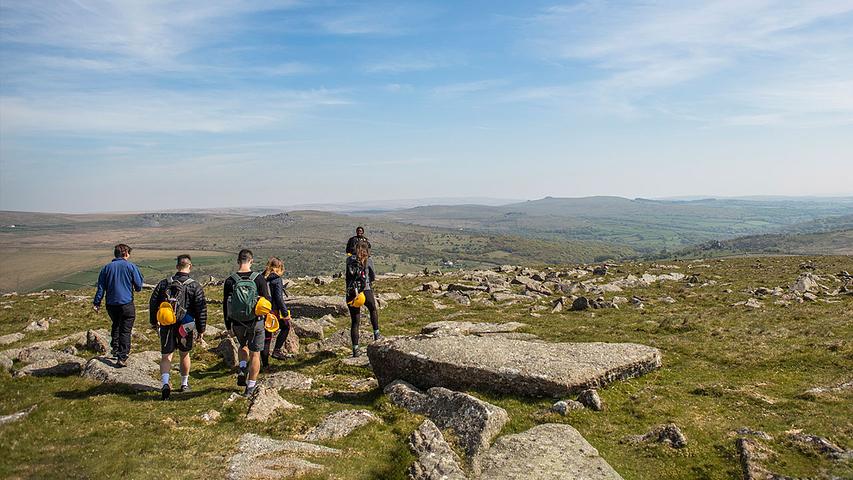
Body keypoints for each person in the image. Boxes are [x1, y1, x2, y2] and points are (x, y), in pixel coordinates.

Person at [148, 254, 207, 400]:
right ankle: (184, 384)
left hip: (167, 323)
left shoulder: (164, 284)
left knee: (166, 355)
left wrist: (154, 322)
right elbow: (201, 309)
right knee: (184, 354)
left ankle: (165, 384)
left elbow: (153, 303)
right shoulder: (194, 286)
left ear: (177, 267)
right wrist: (201, 329)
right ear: (190, 266)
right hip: (185, 324)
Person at [223, 249, 270, 396]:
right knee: (255, 353)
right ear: (251, 261)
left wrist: (228, 325)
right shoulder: (258, 279)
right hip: (255, 321)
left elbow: (226, 304)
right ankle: (250, 386)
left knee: (243, 346)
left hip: (237, 322)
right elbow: (267, 301)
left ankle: (242, 367)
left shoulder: (230, 280)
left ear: (238, 261)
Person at [93, 244, 143, 368]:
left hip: (111, 304)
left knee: (116, 323)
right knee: (125, 330)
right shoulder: (131, 266)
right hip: (126, 303)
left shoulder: (106, 268)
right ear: (125, 253)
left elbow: (100, 288)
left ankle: (115, 349)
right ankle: (122, 356)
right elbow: (138, 286)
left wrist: (96, 303)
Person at [346, 242, 380, 357]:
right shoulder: (369, 260)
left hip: (353, 292)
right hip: (366, 290)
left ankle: (355, 350)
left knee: (355, 322)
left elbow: (347, 276)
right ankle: (377, 336)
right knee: (373, 310)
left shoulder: (349, 260)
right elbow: (373, 277)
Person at [262, 257, 293, 364]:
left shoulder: (262, 277)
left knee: (267, 337)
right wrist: (285, 314)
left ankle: (265, 365)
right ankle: (277, 350)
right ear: (279, 268)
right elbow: (279, 299)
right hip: (273, 312)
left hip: (262, 311)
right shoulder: (277, 279)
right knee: (286, 326)